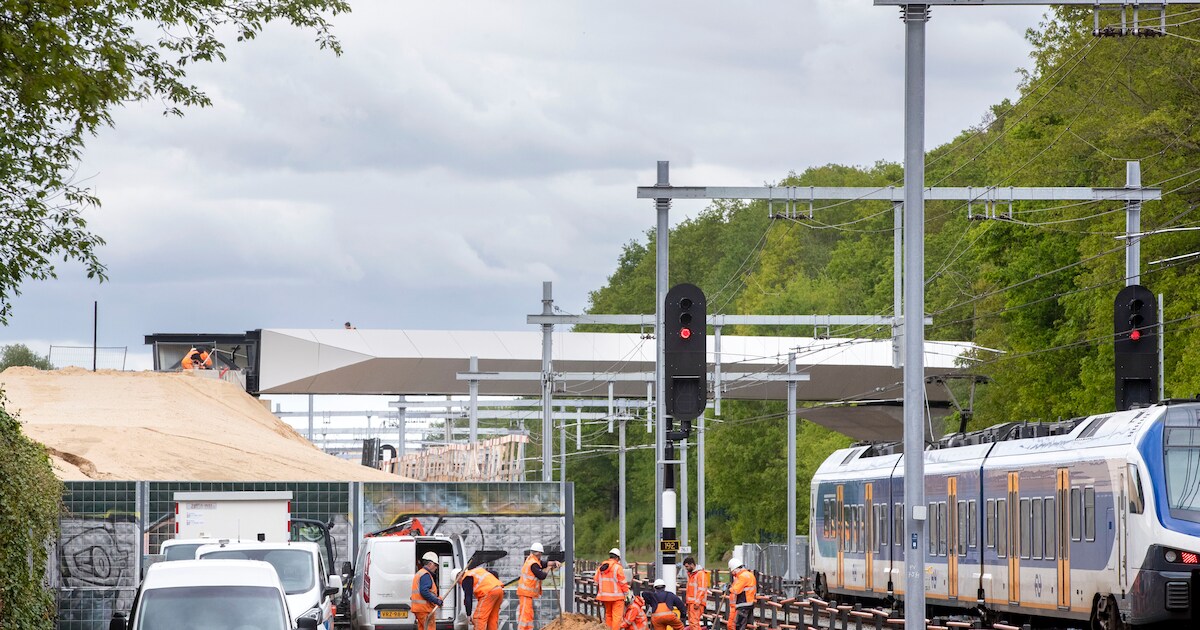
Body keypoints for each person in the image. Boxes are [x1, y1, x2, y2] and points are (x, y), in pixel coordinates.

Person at [517, 542, 560, 630]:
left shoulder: (533, 560)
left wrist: (553, 563)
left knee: (528, 615)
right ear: (539, 553)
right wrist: (548, 568)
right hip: (525, 593)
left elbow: (543, 563)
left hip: (527, 594)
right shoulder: (533, 564)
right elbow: (542, 576)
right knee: (525, 616)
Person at [453, 565, 505, 630]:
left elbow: (468, 597)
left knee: (478, 618)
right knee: (492, 618)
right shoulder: (476, 571)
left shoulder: (466, 578)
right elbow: (494, 573)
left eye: (458, 582)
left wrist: (468, 614)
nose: (460, 584)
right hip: (499, 590)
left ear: (458, 576)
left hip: (488, 592)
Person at [596, 548, 631, 630]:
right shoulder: (617, 568)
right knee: (617, 617)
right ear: (617, 558)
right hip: (617, 597)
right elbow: (623, 582)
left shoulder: (601, 567)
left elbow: (596, 580)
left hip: (605, 597)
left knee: (608, 615)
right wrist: (626, 593)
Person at [412, 551, 444, 630]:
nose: (436, 567)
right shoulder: (425, 575)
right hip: (425, 609)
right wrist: (436, 601)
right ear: (430, 564)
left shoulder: (420, 573)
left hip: (419, 609)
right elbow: (424, 592)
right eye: (435, 565)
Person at [725, 558, 756, 630]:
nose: (733, 573)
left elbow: (736, 590)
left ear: (735, 568)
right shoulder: (749, 574)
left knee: (739, 625)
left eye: (732, 571)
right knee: (743, 625)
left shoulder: (742, 576)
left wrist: (728, 589)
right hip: (749, 603)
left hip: (743, 604)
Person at [683, 557, 709, 630]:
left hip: (696, 603)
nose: (686, 568)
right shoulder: (692, 575)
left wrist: (697, 602)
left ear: (692, 565)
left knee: (694, 623)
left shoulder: (700, 574)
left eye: (687, 566)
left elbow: (702, 589)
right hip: (691, 603)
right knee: (692, 623)